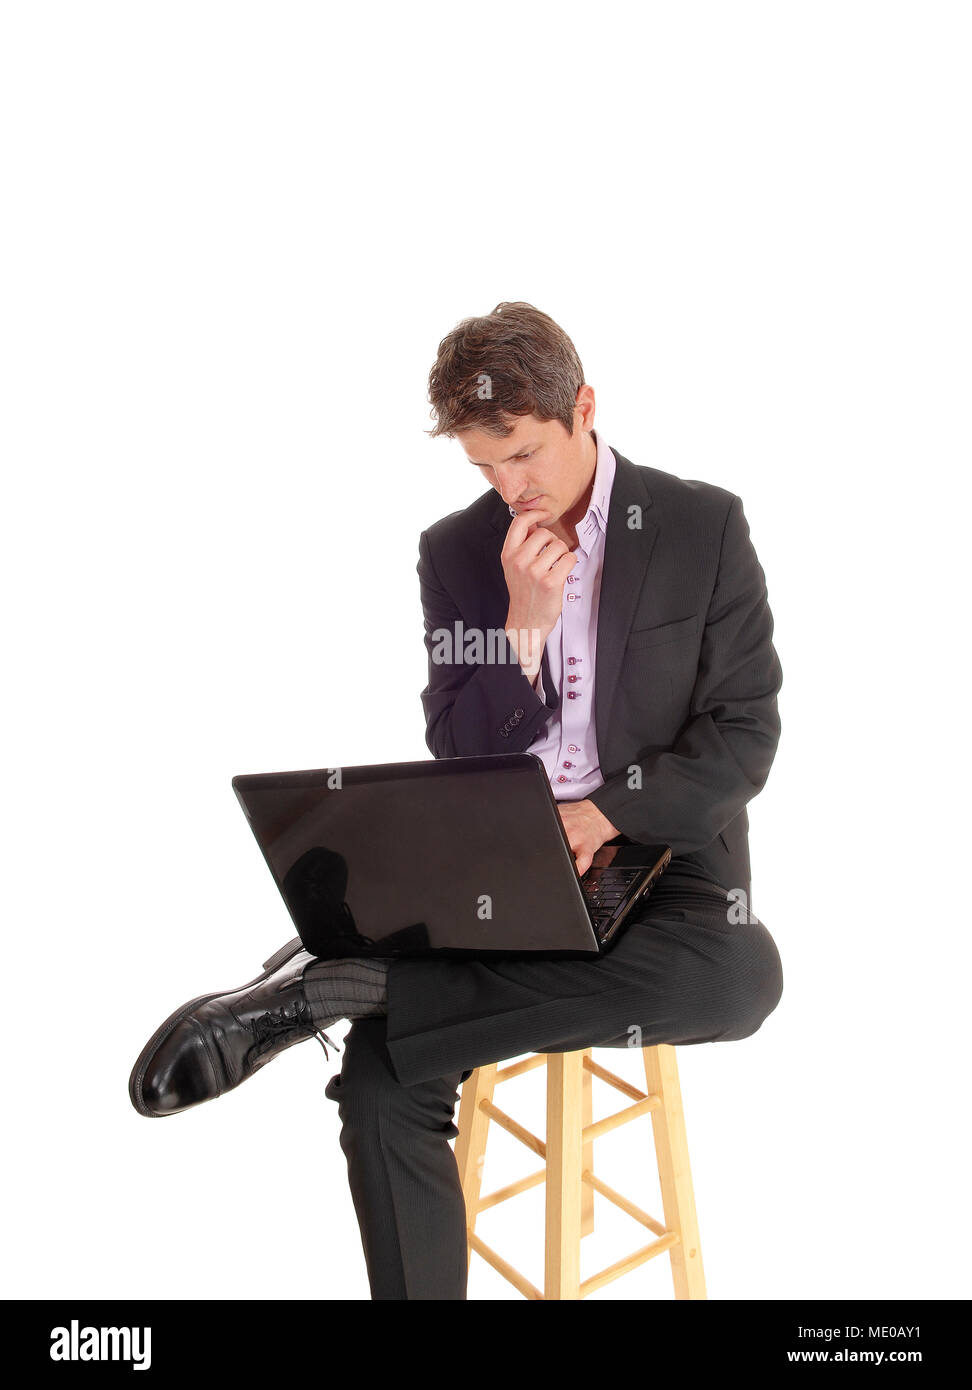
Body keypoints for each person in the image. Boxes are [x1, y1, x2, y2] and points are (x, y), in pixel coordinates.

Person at [129, 301, 785, 1301]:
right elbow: (458, 752)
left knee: (742, 976)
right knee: (383, 1088)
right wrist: (521, 628)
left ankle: (345, 987)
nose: (509, 489)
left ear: (586, 409)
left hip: (665, 863)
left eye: (522, 454)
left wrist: (606, 812)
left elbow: (745, 733)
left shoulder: (700, 526)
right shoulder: (455, 553)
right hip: (508, 858)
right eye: (484, 466)